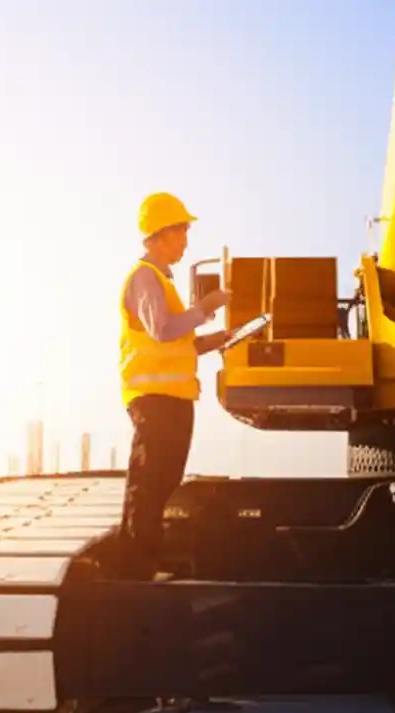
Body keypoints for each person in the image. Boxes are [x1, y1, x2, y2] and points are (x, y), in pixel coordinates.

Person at [117, 191, 229, 580]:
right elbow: (162, 330)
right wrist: (206, 307)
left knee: (164, 480)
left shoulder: (163, 283)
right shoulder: (144, 278)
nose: (185, 240)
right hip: (154, 400)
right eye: (181, 231)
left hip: (175, 399)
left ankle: (146, 560)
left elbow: (182, 343)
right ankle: (136, 565)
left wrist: (222, 339)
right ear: (162, 234)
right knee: (149, 482)